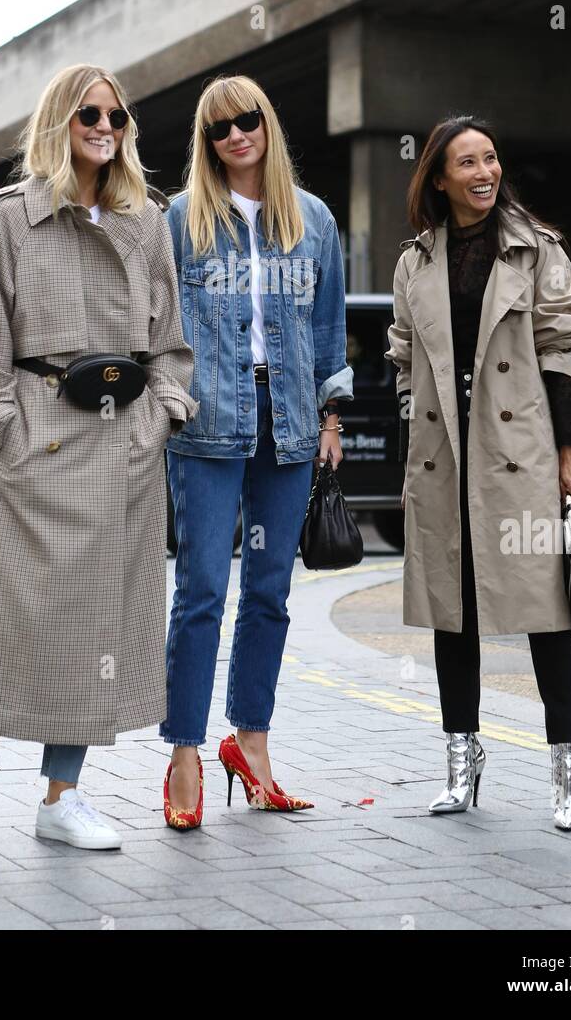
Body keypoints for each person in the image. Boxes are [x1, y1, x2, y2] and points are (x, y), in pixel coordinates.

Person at [0, 64, 196, 851]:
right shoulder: (6, 220)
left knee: (92, 634)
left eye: (115, 115)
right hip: (35, 444)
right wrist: (9, 439)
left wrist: (161, 420)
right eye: (88, 115)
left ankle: (62, 796)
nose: (105, 127)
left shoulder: (147, 221)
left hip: (123, 450)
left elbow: (171, 344)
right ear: (59, 123)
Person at [386, 116, 571, 832]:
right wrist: (417, 422)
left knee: (546, 613)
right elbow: (403, 356)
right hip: (445, 455)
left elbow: (561, 352)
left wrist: (569, 455)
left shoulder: (537, 250)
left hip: (521, 453)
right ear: (438, 178)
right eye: (466, 163)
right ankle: (461, 763)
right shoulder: (416, 261)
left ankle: (569, 775)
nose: (484, 172)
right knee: (454, 612)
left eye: (491, 158)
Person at [160, 74, 352, 828]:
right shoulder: (179, 220)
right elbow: (158, 326)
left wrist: (330, 420)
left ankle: (253, 745)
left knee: (269, 593)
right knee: (201, 592)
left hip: (291, 420)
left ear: (266, 124)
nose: (236, 135)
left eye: (247, 121)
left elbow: (329, 330)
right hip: (208, 422)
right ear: (206, 143)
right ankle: (183, 754)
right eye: (219, 128)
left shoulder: (314, 220)